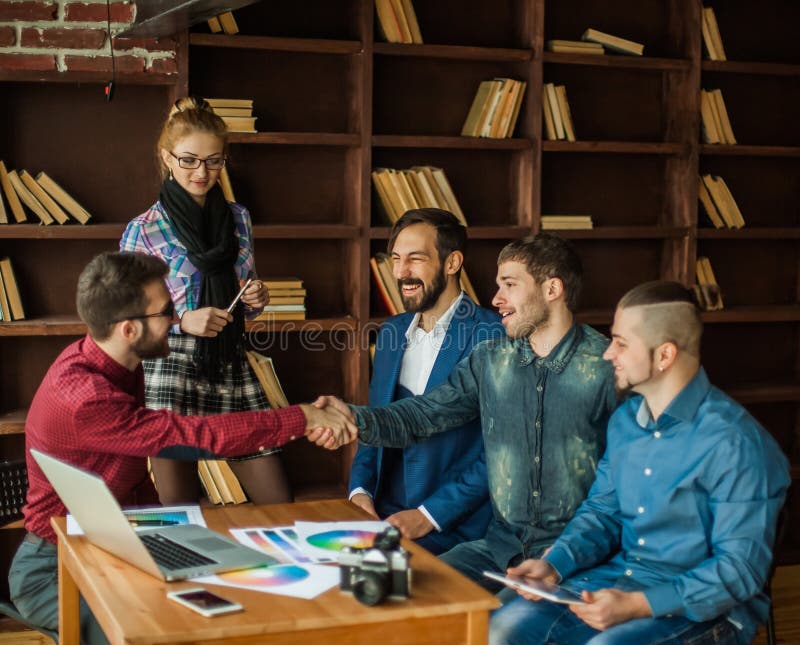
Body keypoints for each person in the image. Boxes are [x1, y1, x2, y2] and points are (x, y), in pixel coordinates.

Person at [8, 251, 355, 644]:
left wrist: (169, 542)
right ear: (128, 329)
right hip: (55, 568)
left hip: (111, 541)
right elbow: (195, 437)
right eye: (166, 311)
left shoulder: (115, 363)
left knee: (231, 599)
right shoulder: (87, 396)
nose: (176, 319)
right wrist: (303, 417)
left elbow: (134, 476)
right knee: (156, 634)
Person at [489, 281, 790, 645]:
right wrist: (556, 563)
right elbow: (603, 512)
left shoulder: (735, 442)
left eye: (621, 343)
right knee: (500, 626)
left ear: (664, 356)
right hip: (621, 578)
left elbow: (739, 570)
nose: (607, 354)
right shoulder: (626, 421)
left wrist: (639, 604)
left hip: (709, 610)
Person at [323, 233, 616, 590]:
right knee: (379, 589)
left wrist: (569, 555)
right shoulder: (490, 359)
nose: (496, 299)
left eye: (510, 285)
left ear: (552, 289)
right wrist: (353, 419)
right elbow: (424, 415)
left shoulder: (609, 369)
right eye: (498, 285)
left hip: (571, 560)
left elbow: (621, 487)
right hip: (496, 551)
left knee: (490, 627)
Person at [120, 96, 290, 505]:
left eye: (214, 161)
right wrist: (181, 320)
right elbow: (122, 316)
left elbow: (243, 295)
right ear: (167, 157)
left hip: (229, 360)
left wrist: (256, 296)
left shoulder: (239, 218)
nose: (202, 172)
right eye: (189, 160)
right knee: (181, 514)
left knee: (279, 504)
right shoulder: (143, 229)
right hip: (169, 367)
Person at [349, 208, 504, 554]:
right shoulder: (390, 332)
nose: (401, 272)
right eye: (396, 259)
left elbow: (500, 454)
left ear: (452, 263)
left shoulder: (495, 336)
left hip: (455, 528)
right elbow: (375, 426)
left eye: (415, 259)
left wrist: (428, 516)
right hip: (381, 517)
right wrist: (359, 492)